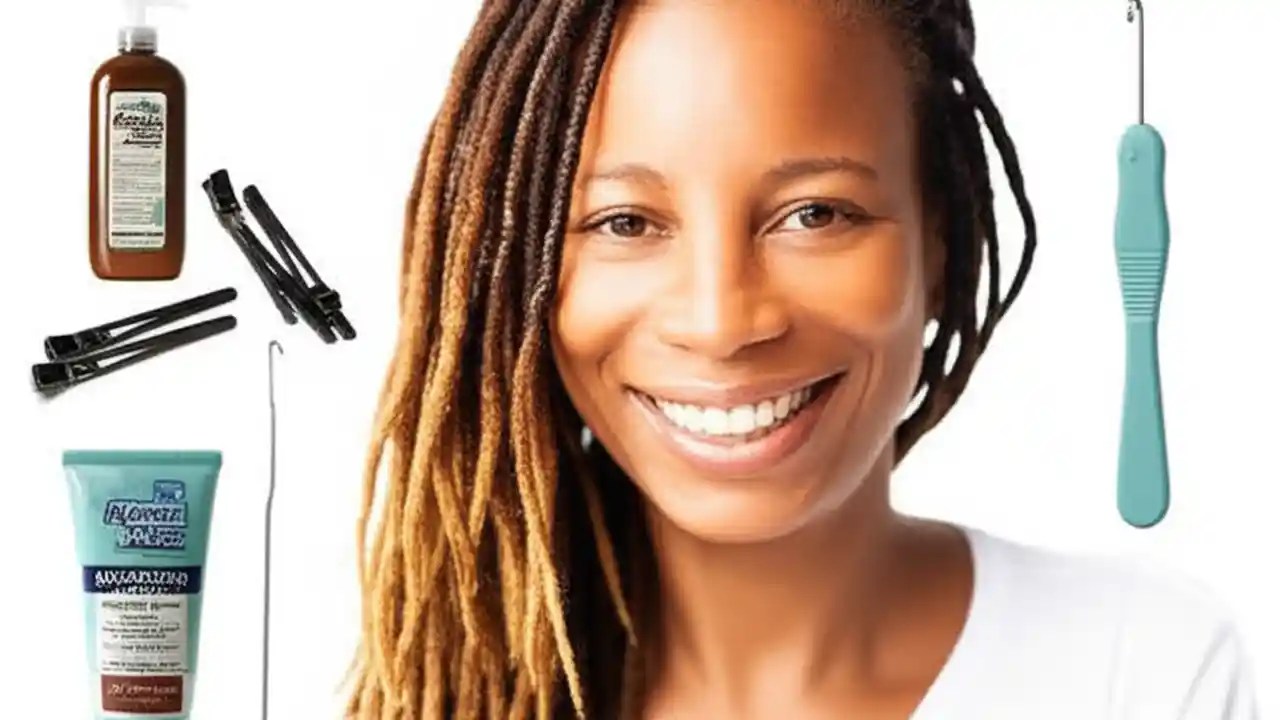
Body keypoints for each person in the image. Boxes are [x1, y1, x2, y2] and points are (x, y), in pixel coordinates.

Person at [347, 1, 1258, 718]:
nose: (721, 321)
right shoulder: (422, 698)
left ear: (937, 246)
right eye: (626, 223)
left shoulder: (1148, 674)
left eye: (815, 214)